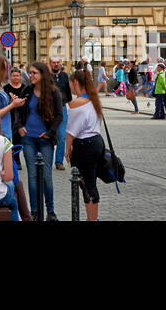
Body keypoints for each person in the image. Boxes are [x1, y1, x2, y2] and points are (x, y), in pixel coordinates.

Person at [20, 61, 62, 221]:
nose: (30, 76)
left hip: (45, 140)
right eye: (30, 73)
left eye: (34, 73)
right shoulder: (27, 90)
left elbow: (59, 115)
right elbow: (19, 111)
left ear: (42, 74)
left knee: (46, 176)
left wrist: (50, 133)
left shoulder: (53, 92)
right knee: (32, 176)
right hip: (28, 139)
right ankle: (35, 211)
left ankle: (50, 211)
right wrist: (19, 127)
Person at [64, 68, 105, 221]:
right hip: (96, 142)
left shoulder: (76, 103)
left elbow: (70, 132)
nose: (70, 87)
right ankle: (93, 218)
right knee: (91, 183)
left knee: (86, 185)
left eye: (70, 84)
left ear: (75, 82)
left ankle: (91, 219)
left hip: (84, 145)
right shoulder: (94, 100)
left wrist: (66, 150)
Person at [49, 57, 71, 169]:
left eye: (58, 62)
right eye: (54, 63)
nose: (56, 64)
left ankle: (59, 162)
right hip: (48, 110)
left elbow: (68, 92)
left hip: (62, 109)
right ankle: (47, 160)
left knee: (62, 137)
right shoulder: (46, 77)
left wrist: (71, 107)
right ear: (50, 64)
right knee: (49, 136)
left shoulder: (64, 76)